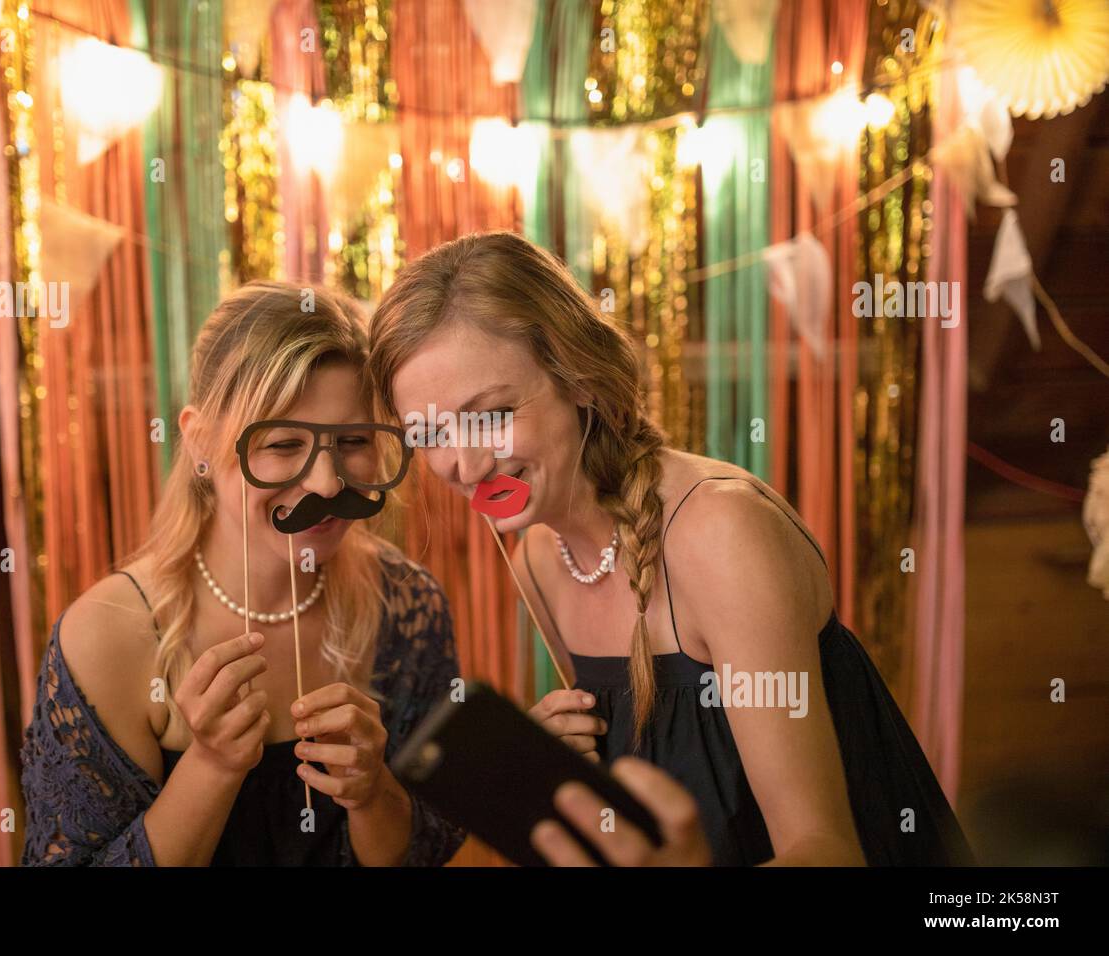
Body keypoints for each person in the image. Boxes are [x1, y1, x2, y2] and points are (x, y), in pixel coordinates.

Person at [368, 231, 975, 866]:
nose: (464, 464)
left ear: (577, 376)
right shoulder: (541, 563)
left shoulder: (721, 533)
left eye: (490, 414)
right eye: (431, 432)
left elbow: (826, 851)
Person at [20, 281, 464, 866]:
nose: (327, 485)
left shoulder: (405, 607)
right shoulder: (109, 636)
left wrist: (371, 791)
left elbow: (429, 855)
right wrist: (211, 766)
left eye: (353, 440)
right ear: (202, 442)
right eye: (282, 444)